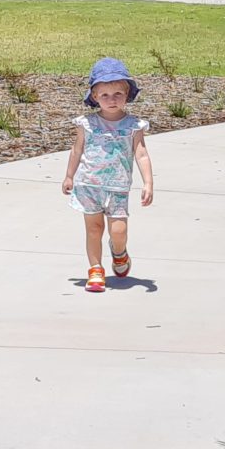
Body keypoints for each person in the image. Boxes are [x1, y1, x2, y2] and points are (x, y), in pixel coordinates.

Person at [60, 57, 154, 293]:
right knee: (93, 229)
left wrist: (148, 183)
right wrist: (69, 176)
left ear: (127, 94)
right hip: (88, 185)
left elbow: (141, 154)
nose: (111, 100)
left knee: (118, 231)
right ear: (94, 97)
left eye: (117, 94)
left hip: (118, 187)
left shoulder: (134, 125)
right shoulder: (86, 124)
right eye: (104, 95)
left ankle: (119, 252)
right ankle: (95, 269)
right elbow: (77, 150)